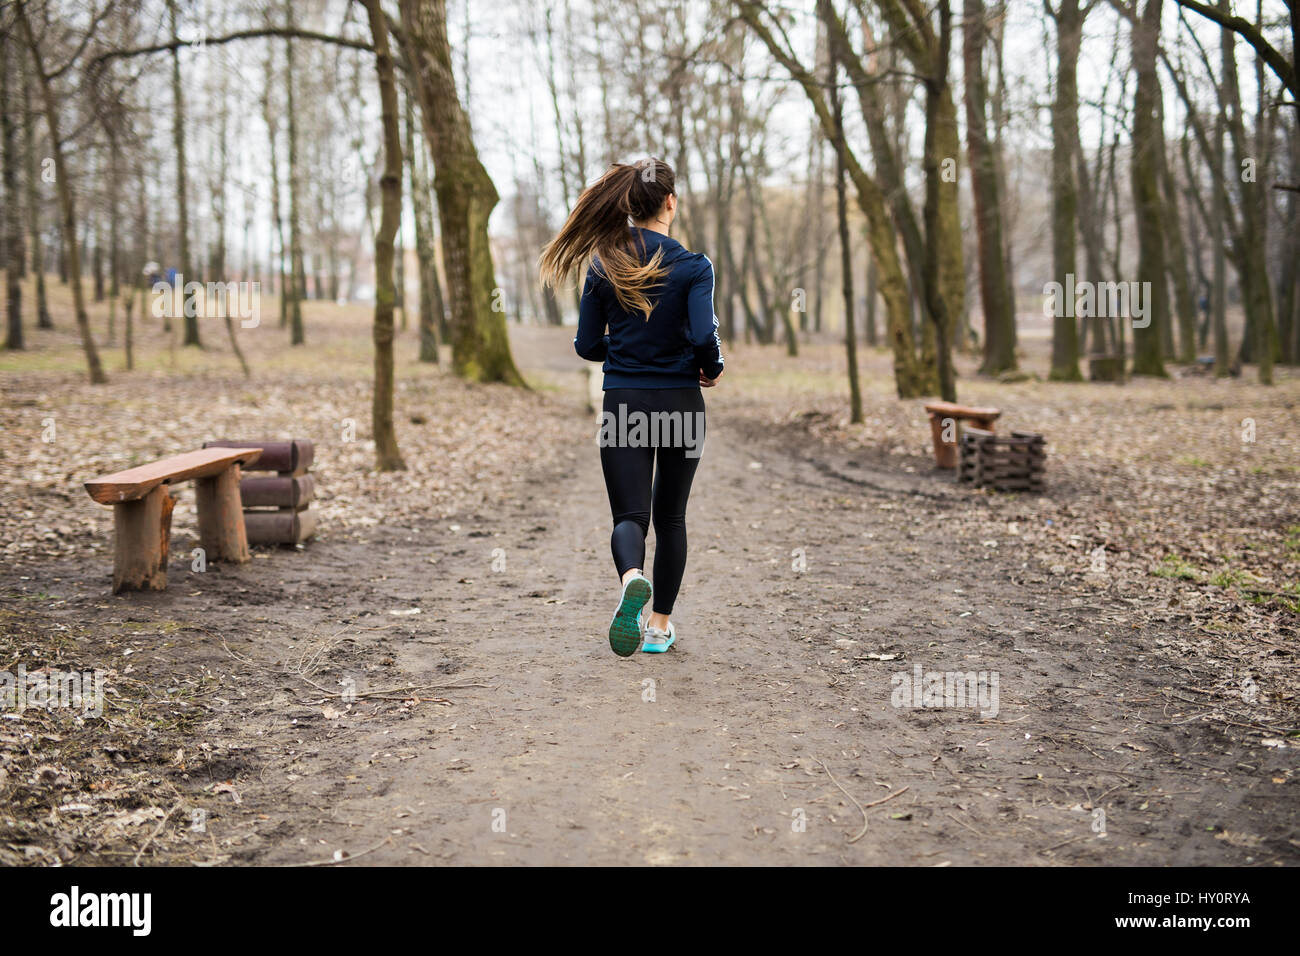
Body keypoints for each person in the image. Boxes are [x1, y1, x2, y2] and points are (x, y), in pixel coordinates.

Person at [540, 159, 724, 657]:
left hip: (624, 403)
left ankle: (631, 580)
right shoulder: (694, 266)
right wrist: (709, 365)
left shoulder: (603, 266)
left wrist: (623, 355)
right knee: (672, 519)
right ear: (670, 202)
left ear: (629, 205)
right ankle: (659, 628)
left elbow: (584, 345)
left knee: (629, 515)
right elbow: (705, 335)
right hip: (682, 404)